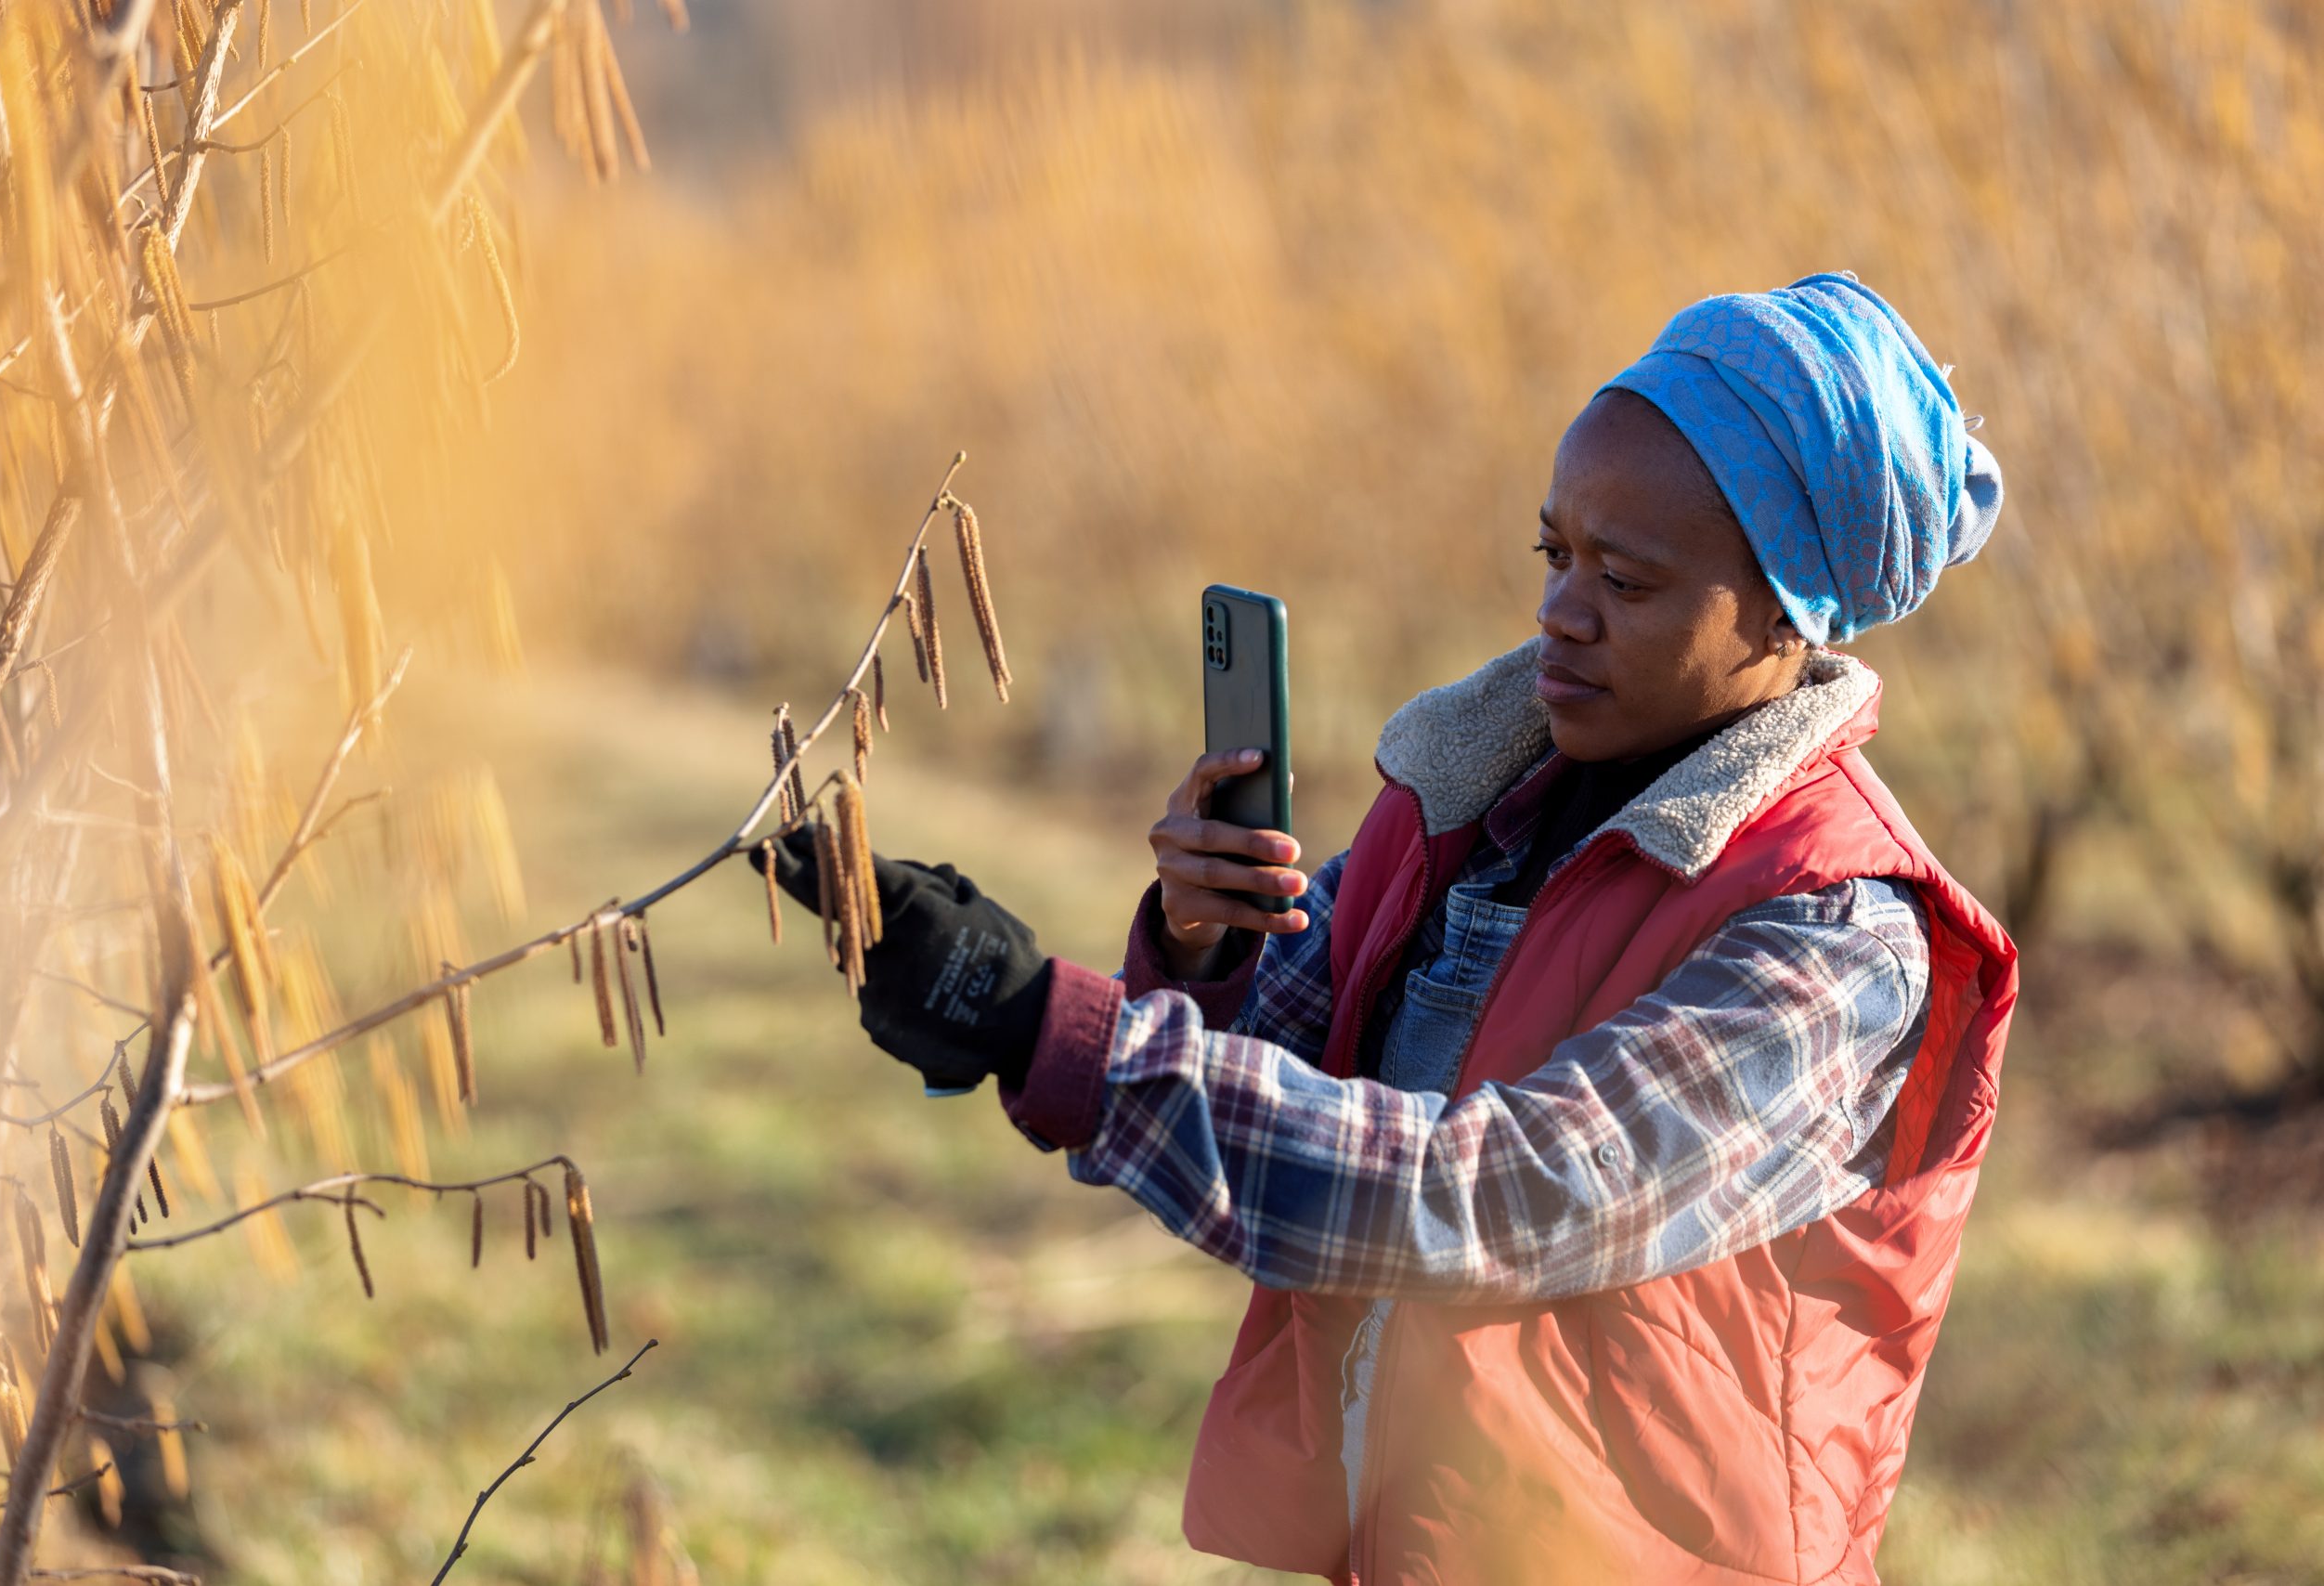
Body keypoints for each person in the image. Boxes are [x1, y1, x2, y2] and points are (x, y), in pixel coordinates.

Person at [754, 271, 2019, 1585]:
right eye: (1555, 556)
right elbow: (1287, 1083)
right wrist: (1197, 946)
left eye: (1628, 581)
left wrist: (1046, 1031)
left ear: (1789, 609)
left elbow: (1500, 1199)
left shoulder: (1840, 933)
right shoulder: (1482, 808)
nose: (1562, 612)